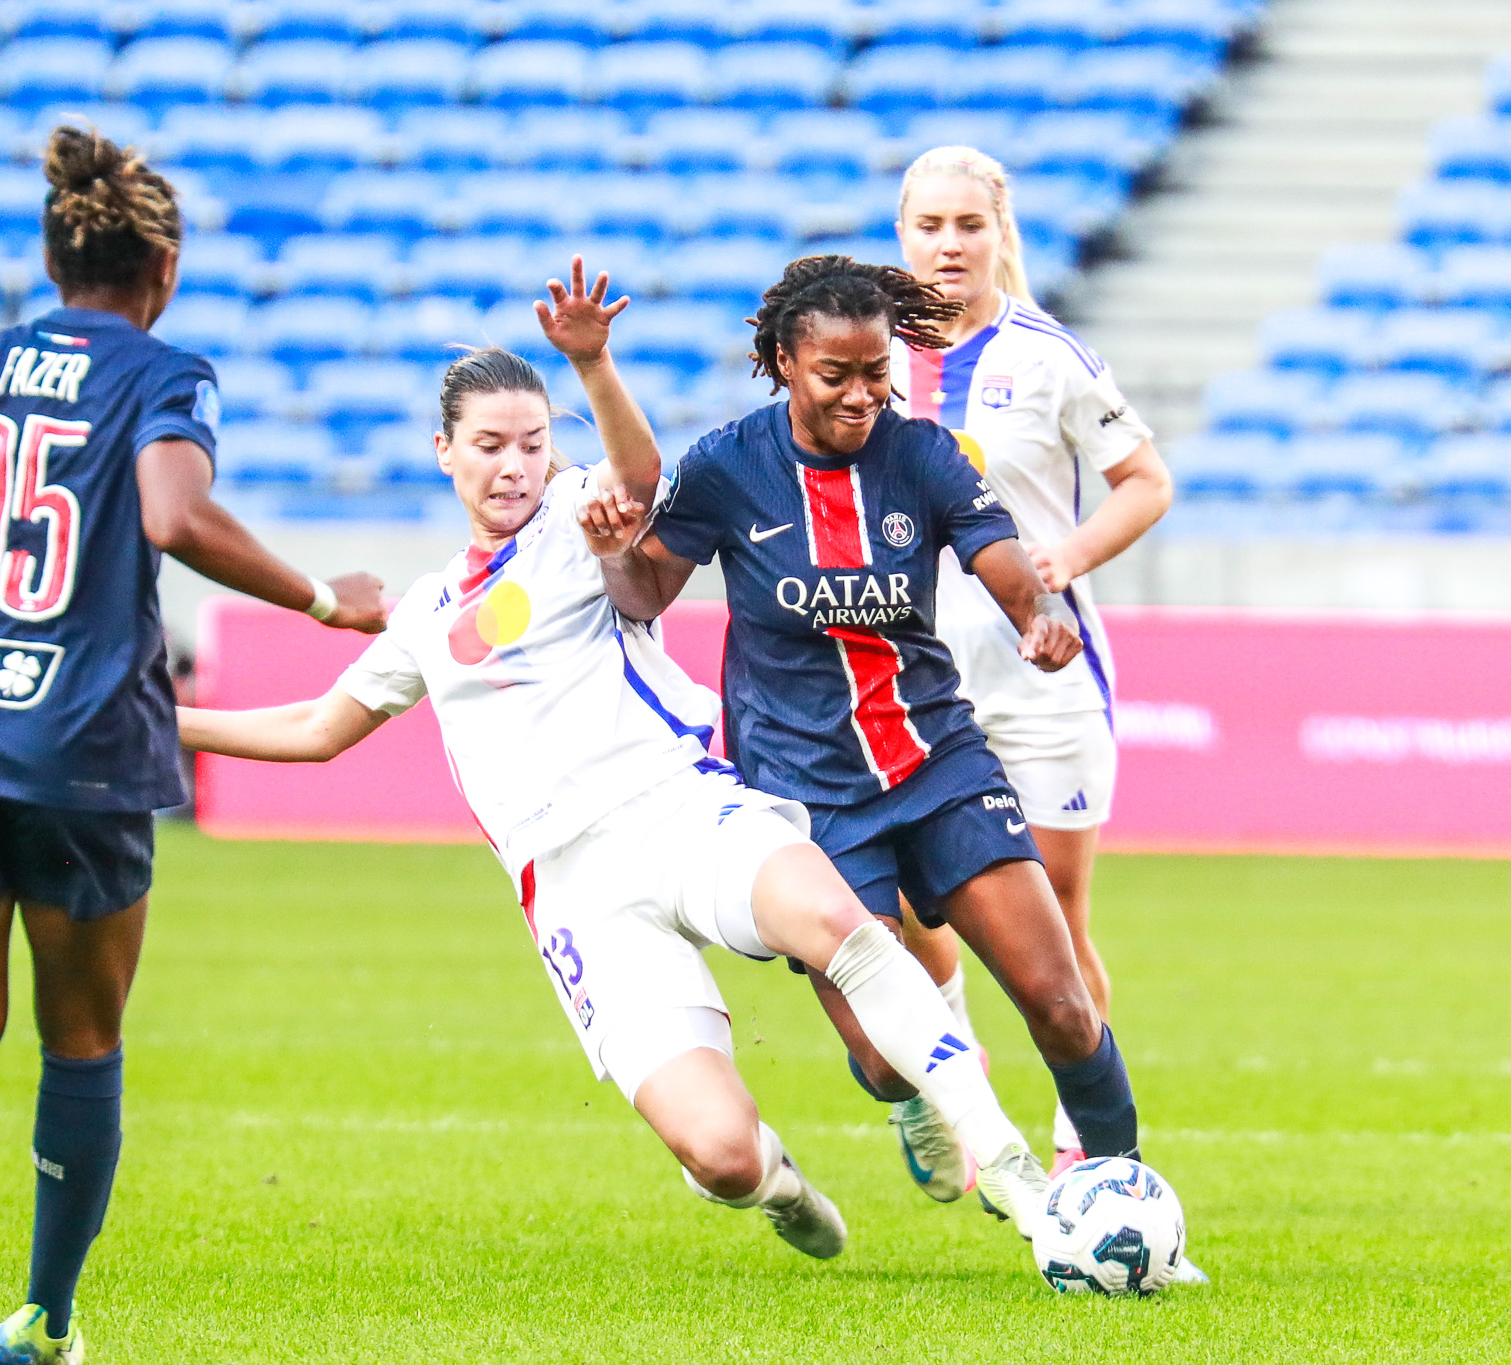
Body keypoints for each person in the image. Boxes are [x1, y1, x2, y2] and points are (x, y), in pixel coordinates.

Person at [178, 259, 1074, 1276]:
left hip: (679, 808)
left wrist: (593, 364)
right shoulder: (425, 616)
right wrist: (165, 723)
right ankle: (776, 1182)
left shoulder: (577, 515)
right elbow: (315, 727)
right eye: (488, 447)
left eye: (532, 442)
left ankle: (1010, 1172)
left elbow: (642, 481)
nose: (514, 466)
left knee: (844, 929)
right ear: (443, 454)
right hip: (572, 888)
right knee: (719, 1154)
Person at [0, 126, 385, 1365]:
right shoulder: (163, 372)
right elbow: (171, 511)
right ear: (158, 269)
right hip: (81, 747)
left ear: (56, 258)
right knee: (83, 1041)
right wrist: (324, 600)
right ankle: (44, 1321)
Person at [581, 253, 1157, 1232]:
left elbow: (999, 559)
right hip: (804, 800)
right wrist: (608, 547)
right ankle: (921, 1091)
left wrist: (1037, 615)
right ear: (779, 365)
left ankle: (1123, 1197)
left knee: (1059, 1003)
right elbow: (643, 594)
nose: (860, 395)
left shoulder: (925, 454)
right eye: (833, 375)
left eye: (875, 371)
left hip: (937, 764)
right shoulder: (725, 466)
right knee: (886, 1063)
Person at [888, 146, 1175, 1165]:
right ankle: (939, 1061)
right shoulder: (863, 357)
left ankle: (1081, 1155)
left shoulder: (1048, 355)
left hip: (1040, 679)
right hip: (906, 687)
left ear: (999, 233)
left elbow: (1144, 481)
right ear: (901, 236)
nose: (949, 244)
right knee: (901, 907)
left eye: (968, 225)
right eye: (929, 226)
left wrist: (1064, 553)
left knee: (1054, 920)